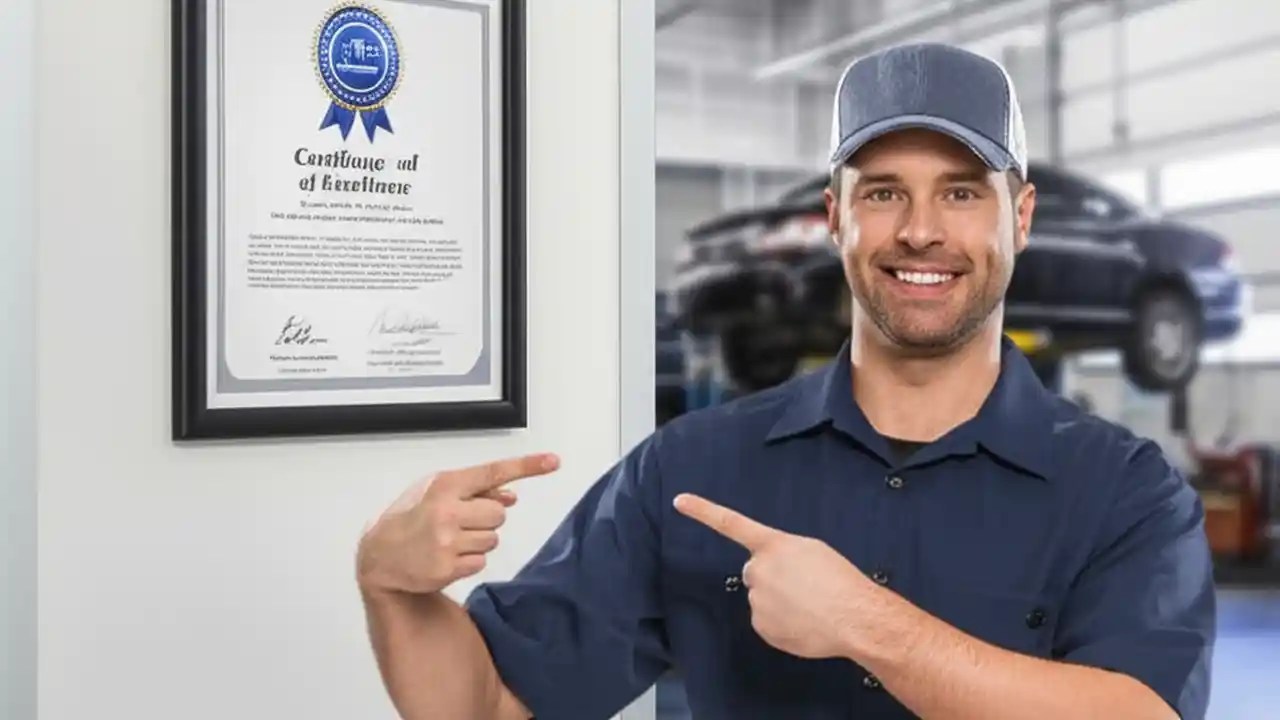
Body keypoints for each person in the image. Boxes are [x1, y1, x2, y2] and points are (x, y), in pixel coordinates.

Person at [356, 42, 1215, 720]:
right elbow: (489, 706)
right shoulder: (695, 472)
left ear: (1018, 217)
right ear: (835, 217)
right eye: (883, 193)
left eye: (960, 193)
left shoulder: (1125, 492)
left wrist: (869, 628)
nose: (921, 231)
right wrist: (392, 587)